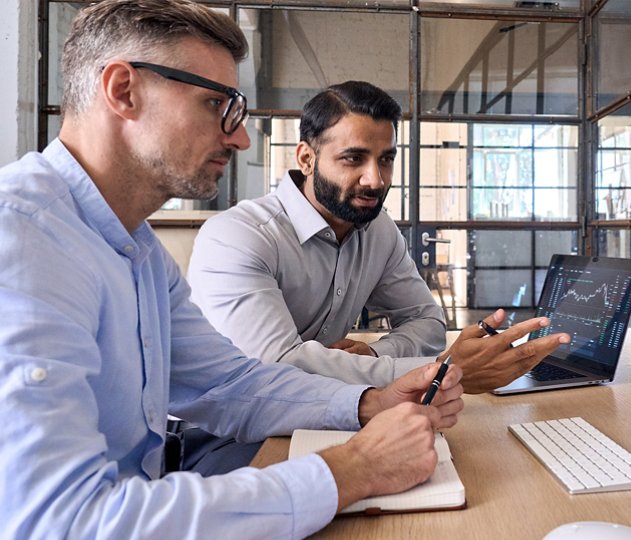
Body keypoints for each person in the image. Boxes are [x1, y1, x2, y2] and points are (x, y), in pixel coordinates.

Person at [0, 1, 469, 536]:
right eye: (215, 105)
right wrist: (350, 470)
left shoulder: (135, 248)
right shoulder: (21, 240)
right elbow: (61, 522)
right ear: (123, 91)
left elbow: (227, 384)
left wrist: (367, 402)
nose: (240, 137)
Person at [188, 82, 571, 392]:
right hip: (223, 434)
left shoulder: (378, 229)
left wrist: (374, 357)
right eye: (353, 159)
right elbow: (277, 367)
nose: (376, 180)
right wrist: (441, 370)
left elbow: (427, 322)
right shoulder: (238, 237)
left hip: (325, 412)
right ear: (306, 158)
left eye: (386, 159)